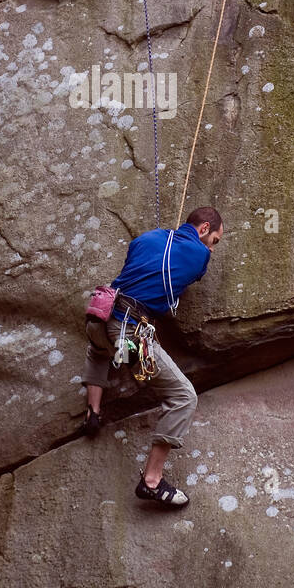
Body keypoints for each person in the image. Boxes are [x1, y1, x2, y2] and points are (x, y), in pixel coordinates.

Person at [81, 206, 224, 509]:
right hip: (129, 332)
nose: (212, 248)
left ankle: (92, 412)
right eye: (214, 240)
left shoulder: (147, 238)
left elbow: (140, 252)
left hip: (99, 318)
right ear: (204, 229)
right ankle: (152, 482)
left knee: (99, 349)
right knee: (184, 397)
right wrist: (198, 249)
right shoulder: (199, 256)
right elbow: (193, 272)